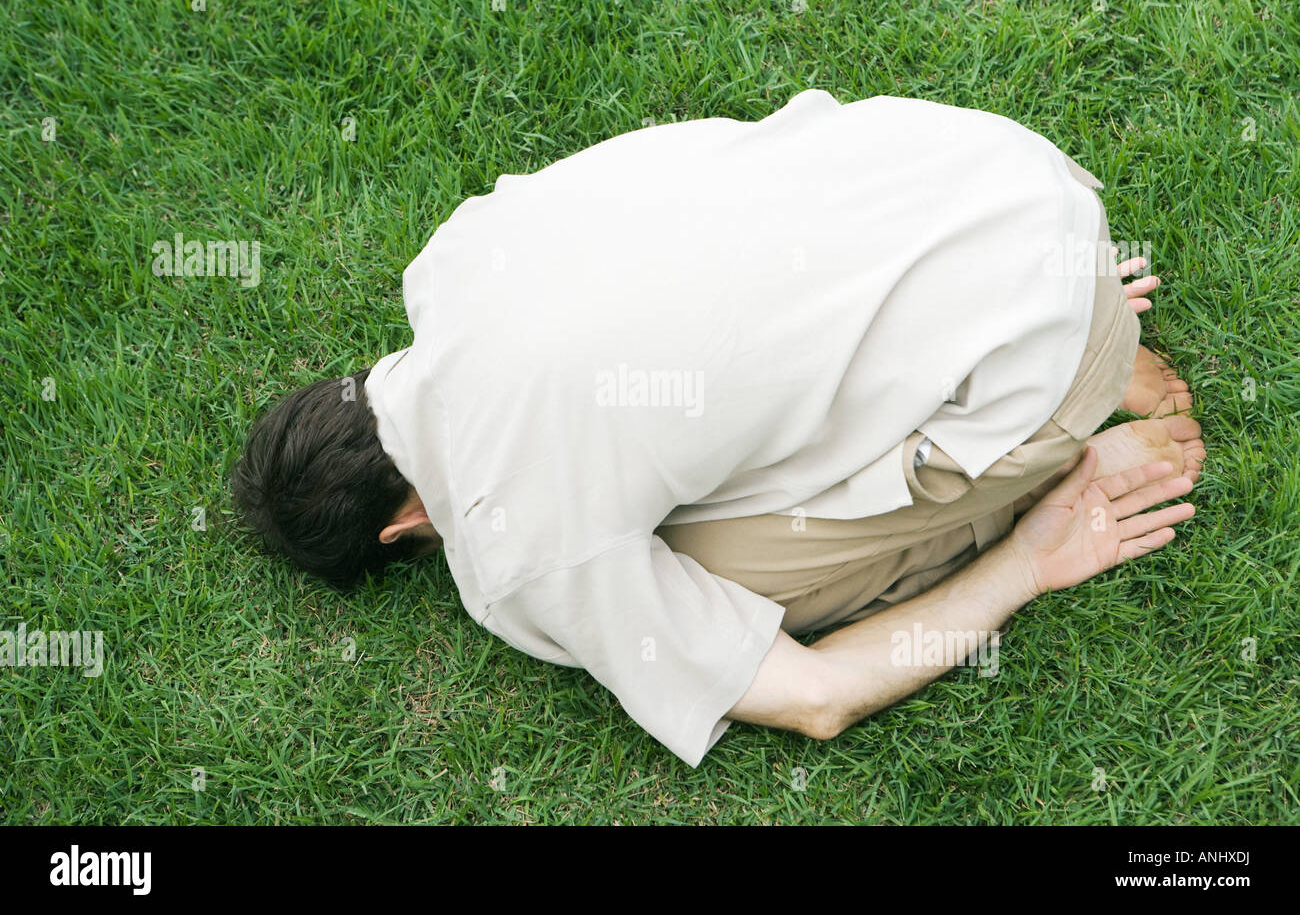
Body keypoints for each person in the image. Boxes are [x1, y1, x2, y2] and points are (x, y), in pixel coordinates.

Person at [231, 90, 1203, 767]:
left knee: (708, 576)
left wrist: (1028, 562)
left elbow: (814, 697)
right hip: (984, 169)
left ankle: (1054, 405)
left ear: (398, 529)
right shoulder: (450, 258)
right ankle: (1043, 310)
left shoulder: (517, 554)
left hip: (1029, 358)